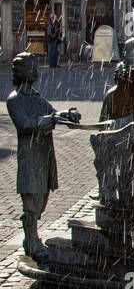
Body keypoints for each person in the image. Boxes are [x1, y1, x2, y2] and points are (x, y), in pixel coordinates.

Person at [5, 53, 81, 260]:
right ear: (22, 72)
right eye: (32, 67)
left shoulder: (36, 97)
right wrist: (50, 119)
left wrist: (67, 114)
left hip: (43, 155)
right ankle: (31, 239)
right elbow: (24, 124)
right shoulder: (15, 99)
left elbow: (53, 112)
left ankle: (31, 237)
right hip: (30, 157)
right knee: (31, 202)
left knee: (41, 199)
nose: (36, 70)